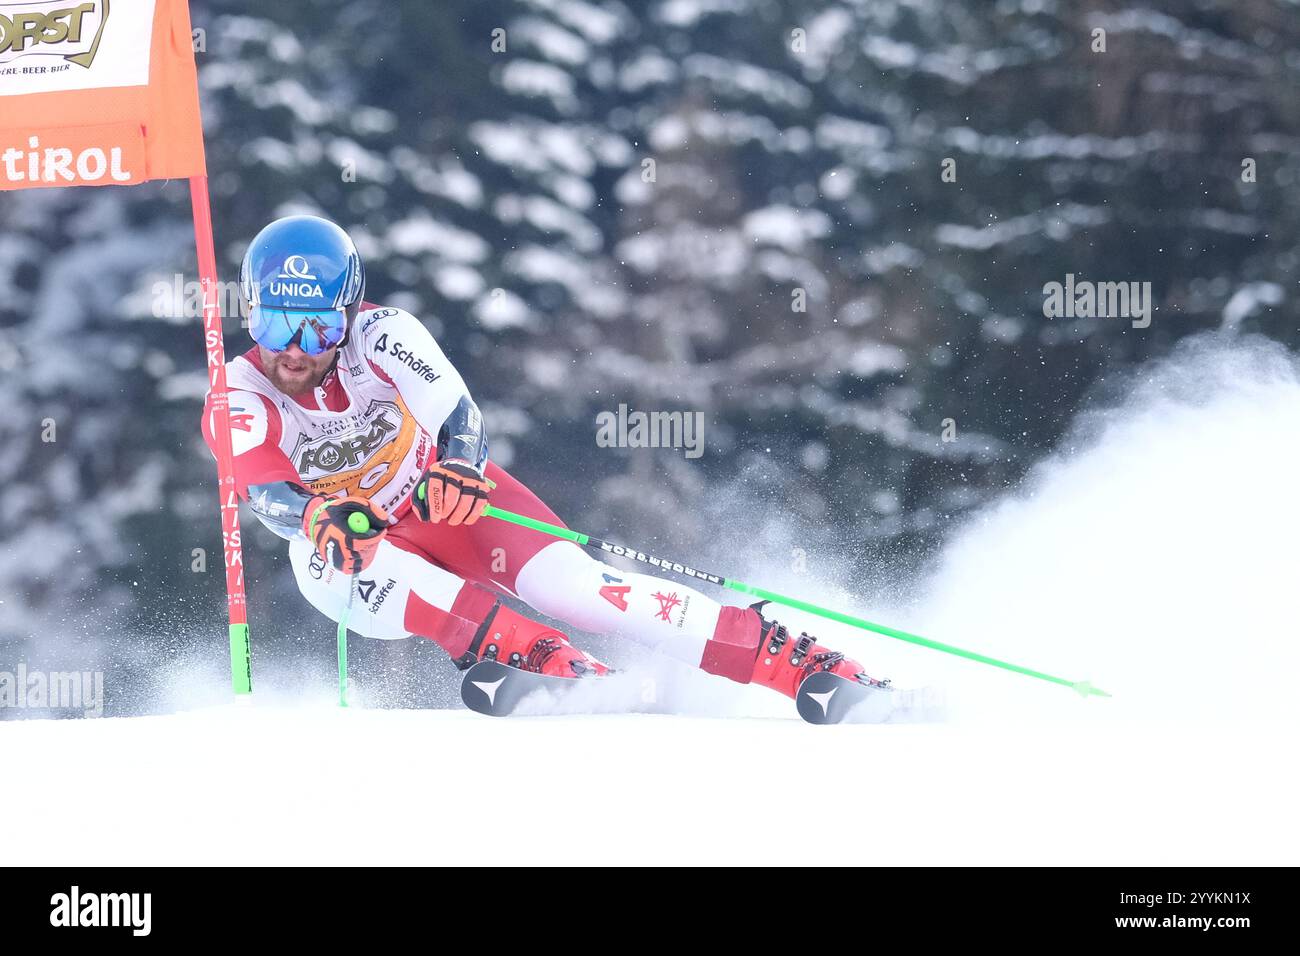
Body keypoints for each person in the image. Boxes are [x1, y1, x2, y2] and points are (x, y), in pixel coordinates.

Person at [202, 214, 876, 699]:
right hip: (356, 550)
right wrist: (314, 516)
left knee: (582, 591)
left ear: (347, 314)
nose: (295, 348)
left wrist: (460, 464)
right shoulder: (238, 392)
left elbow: (454, 411)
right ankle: (538, 659)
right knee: (314, 556)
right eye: (273, 323)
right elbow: (260, 485)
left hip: (447, 505)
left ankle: (789, 660)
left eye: (317, 324)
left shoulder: (382, 335)